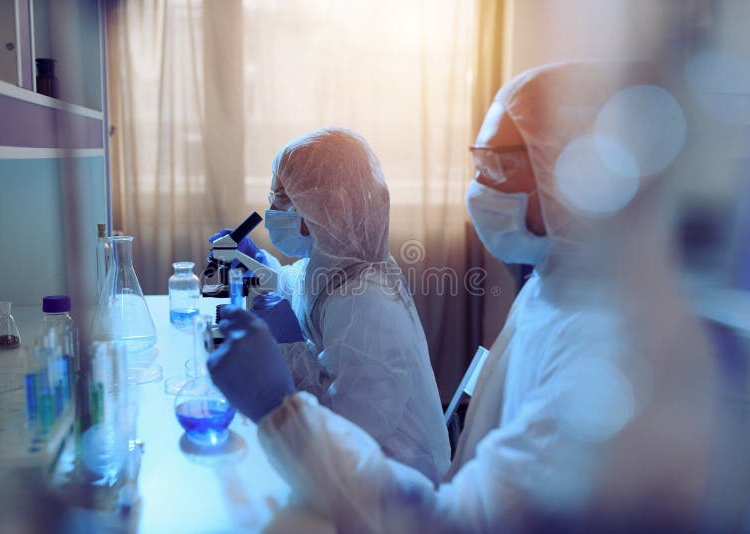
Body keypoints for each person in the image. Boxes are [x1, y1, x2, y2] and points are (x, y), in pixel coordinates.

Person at [208, 63, 718, 531]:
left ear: (579, 170)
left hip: (393, 491)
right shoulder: (555, 283)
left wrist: (279, 406)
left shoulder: (614, 361)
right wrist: (261, 270)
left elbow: (442, 517)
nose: (476, 185)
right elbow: (304, 291)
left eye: (495, 163)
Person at [217, 127, 451, 484]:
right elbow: (295, 287)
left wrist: (288, 356)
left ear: (333, 205)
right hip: (349, 474)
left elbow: (351, 431)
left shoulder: (367, 304)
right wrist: (253, 260)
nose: (270, 210)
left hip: (395, 486)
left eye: (282, 197)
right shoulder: (335, 265)